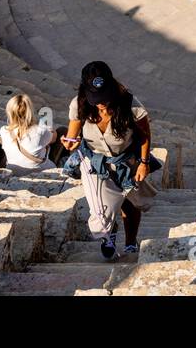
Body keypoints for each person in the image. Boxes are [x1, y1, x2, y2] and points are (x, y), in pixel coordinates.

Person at [61, 61, 157, 260]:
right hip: (95, 162)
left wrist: (144, 162)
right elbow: (72, 135)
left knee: (130, 205)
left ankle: (131, 242)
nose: (101, 104)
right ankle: (109, 235)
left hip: (127, 161)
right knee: (103, 207)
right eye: (96, 99)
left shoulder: (130, 104)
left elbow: (144, 135)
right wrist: (69, 143)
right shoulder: (78, 103)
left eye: (104, 97)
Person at [0, 93, 65, 170]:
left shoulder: (4, 130)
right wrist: (47, 128)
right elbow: (54, 138)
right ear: (30, 112)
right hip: (39, 171)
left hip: (13, 170)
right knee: (62, 131)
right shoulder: (40, 131)